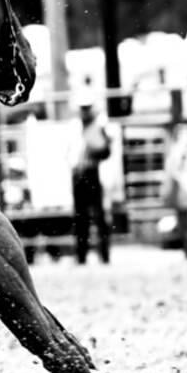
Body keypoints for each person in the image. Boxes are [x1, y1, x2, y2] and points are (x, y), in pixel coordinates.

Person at [72, 101, 113, 264]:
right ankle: (82, 255)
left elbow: (104, 151)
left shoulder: (97, 127)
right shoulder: (77, 127)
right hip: (79, 173)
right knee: (82, 217)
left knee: (98, 215)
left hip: (91, 172)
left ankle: (103, 254)